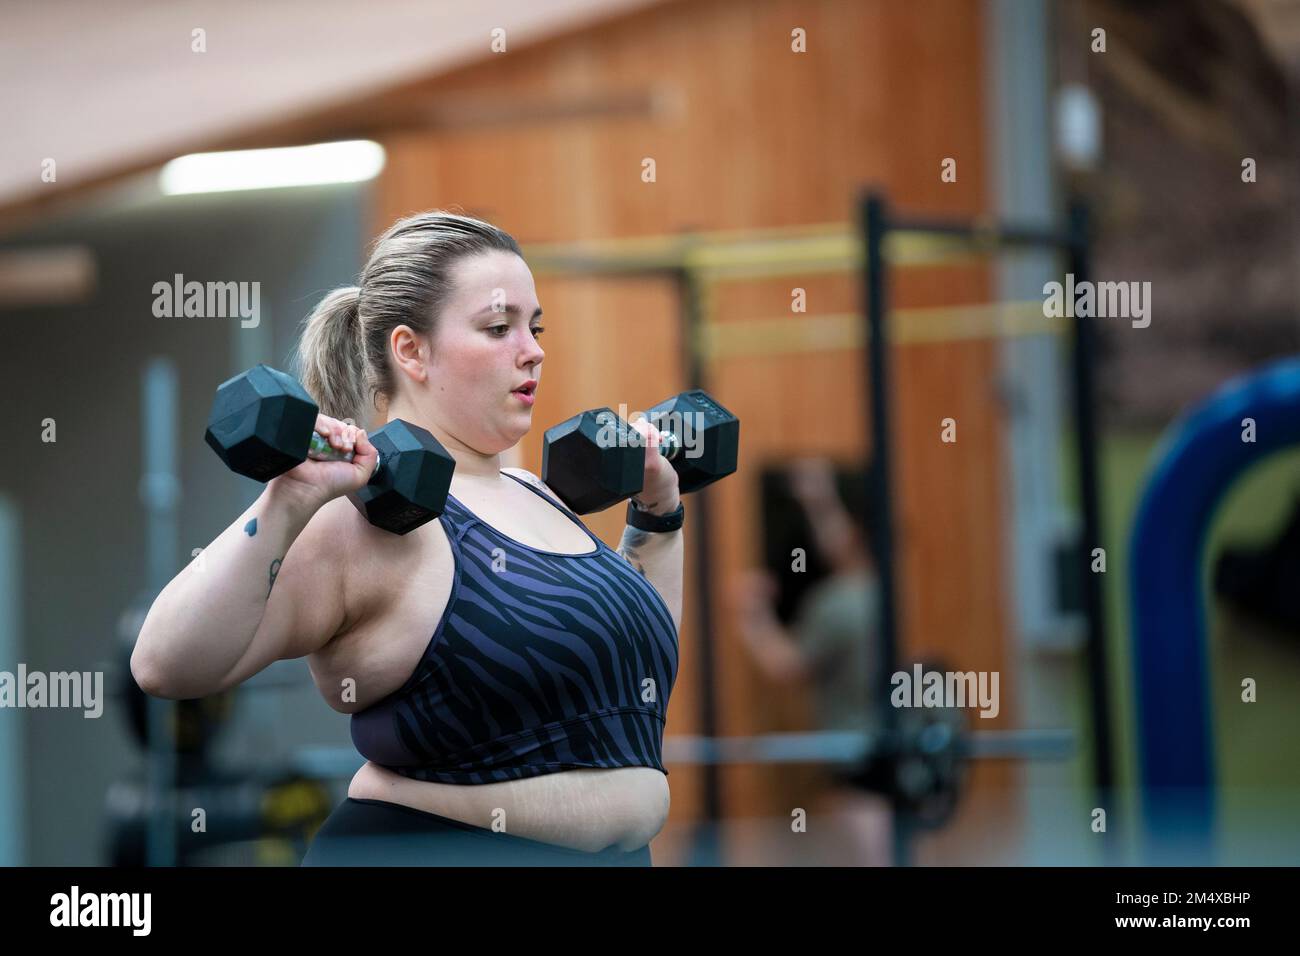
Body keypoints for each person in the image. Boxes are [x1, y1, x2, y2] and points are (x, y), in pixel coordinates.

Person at [131, 212, 683, 866]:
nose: (532, 349)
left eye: (534, 328)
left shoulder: (540, 496)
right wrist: (287, 502)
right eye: (498, 328)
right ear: (411, 351)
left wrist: (658, 511)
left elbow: (634, 667)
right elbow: (163, 664)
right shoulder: (365, 515)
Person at [730, 457, 892, 866]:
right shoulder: (887, 596)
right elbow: (835, 542)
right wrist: (820, 500)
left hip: (857, 766)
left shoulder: (839, 602)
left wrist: (751, 613)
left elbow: (785, 666)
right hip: (887, 757)